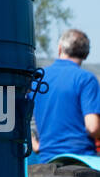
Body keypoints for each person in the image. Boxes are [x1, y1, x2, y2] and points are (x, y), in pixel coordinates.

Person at [32, 28, 100, 163]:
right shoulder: (86, 79)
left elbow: (20, 116)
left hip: (47, 159)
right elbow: (93, 127)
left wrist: (36, 145)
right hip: (82, 159)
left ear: (59, 49)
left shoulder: (38, 78)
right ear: (86, 54)